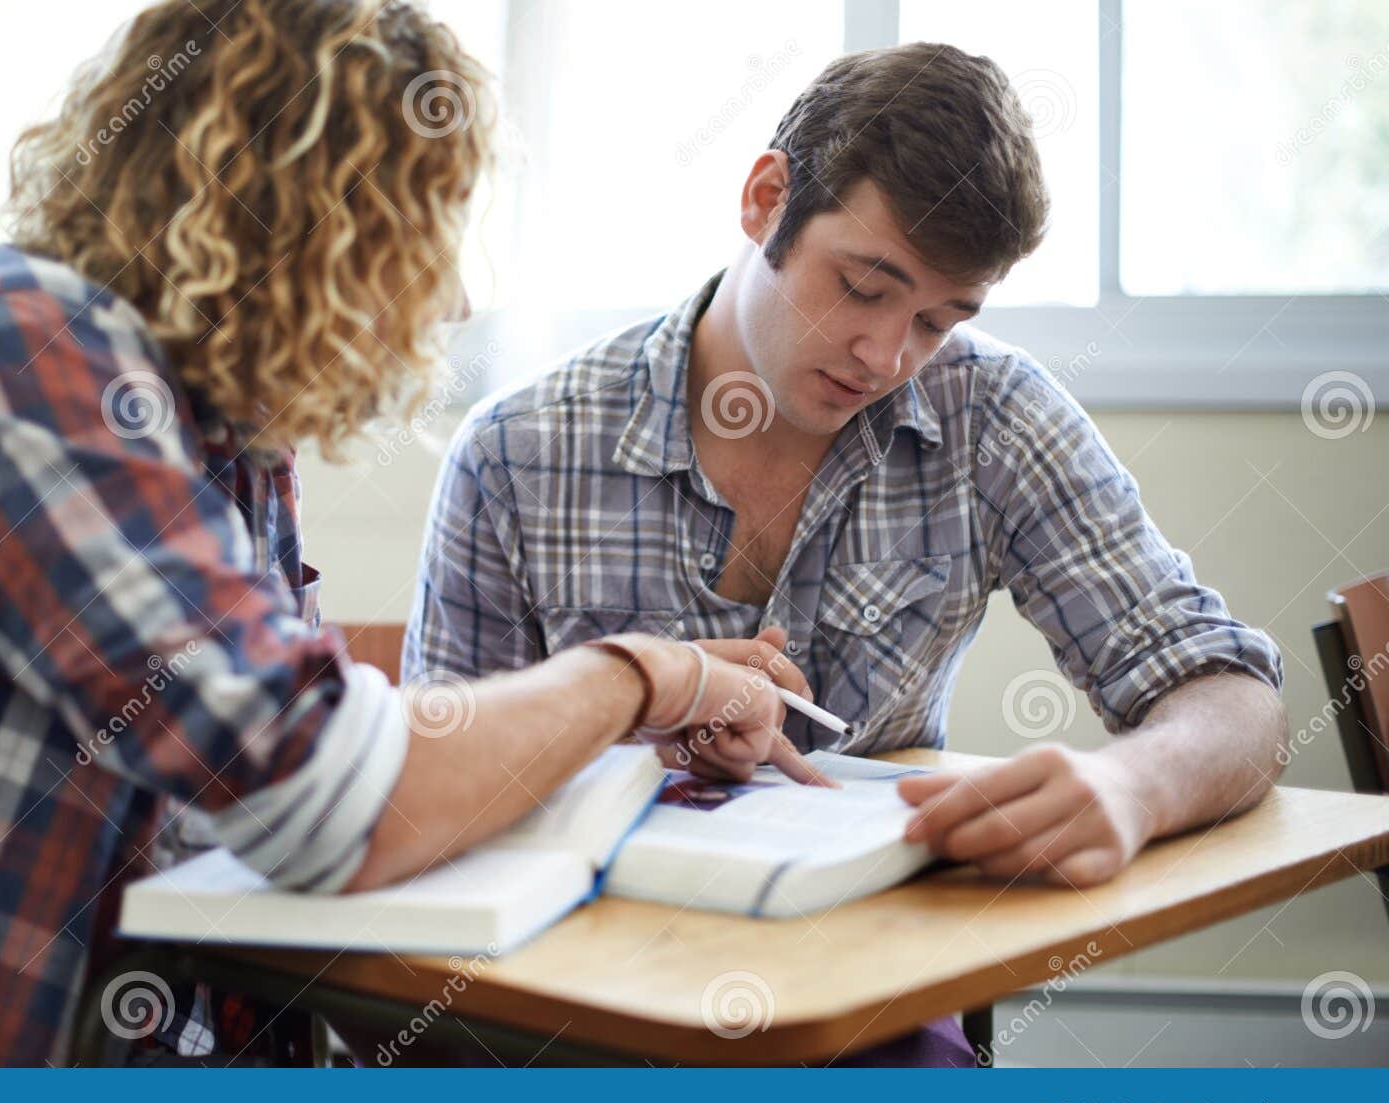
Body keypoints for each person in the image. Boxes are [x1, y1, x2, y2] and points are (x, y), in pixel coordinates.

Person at [0, 0, 823, 1068]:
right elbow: (332, 794)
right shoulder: (15, 353)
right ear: (300, 215)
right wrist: (645, 675)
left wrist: (619, 734)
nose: (457, 294)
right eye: (425, 230)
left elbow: (308, 763)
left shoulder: (227, 437)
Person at [410, 47, 1288, 925]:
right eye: (863, 288)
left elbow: (1231, 695)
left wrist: (1133, 785)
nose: (887, 357)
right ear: (765, 201)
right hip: (580, 1000)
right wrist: (630, 720)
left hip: (877, 993)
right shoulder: (516, 453)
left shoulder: (992, 416)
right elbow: (424, 801)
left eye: (938, 322)